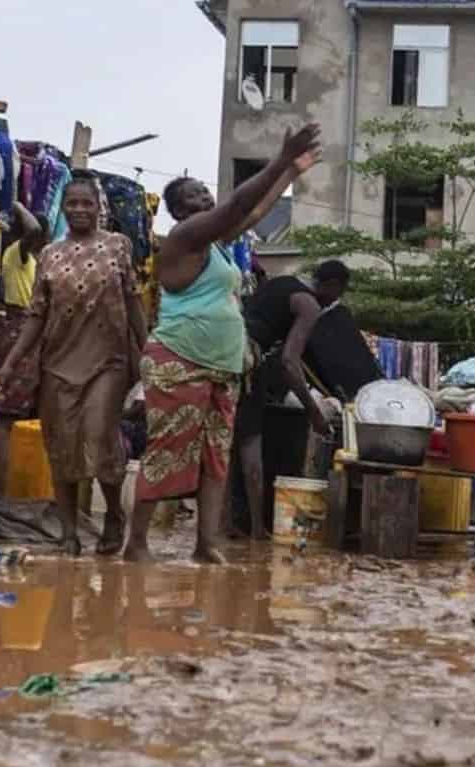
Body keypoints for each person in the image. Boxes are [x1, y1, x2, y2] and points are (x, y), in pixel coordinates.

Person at [124, 124, 323, 564]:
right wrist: (278, 159)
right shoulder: (184, 239)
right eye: (194, 196)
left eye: (204, 193)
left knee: (216, 458)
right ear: (178, 211)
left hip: (222, 365)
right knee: (168, 453)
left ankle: (206, 544)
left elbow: (249, 215)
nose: (205, 199)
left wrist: (290, 172)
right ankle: (136, 543)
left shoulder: (214, 247)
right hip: (180, 359)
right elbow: (237, 204)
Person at [0, 177, 148, 557]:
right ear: (63, 208)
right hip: (58, 362)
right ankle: (68, 533)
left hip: (108, 360)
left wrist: (148, 354)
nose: (80, 209)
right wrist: (11, 364)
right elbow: (35, 316)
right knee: (61, 448)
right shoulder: (49, 254)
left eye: (87, 203)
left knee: (98, 436)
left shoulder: (118, 246)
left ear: (99, 207)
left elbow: (132, 305)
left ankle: (113, 514)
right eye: (72, 203)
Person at [234, 260, 344, 539]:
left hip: (224, 347)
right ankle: (258, 528)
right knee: (250, 444)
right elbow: (289, 362)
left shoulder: (282, 282)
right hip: (247, 360)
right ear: (331, 286)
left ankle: (224, 524)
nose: (336, 300)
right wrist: (314, 413)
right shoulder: (310, 306)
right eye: (339, 292)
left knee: (225, 442)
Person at [0, 202, 49, 496]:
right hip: (20, 330)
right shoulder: (17, 254)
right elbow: (35, 229)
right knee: (7, 416)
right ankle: (3, 493)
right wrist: (13, 201)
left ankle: (24, 490)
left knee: (26, 414)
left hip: (31, 331)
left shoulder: (33, 263)